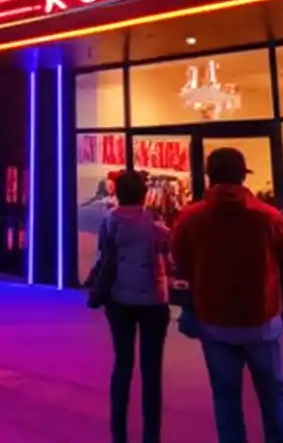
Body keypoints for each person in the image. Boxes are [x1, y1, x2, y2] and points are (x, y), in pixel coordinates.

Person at [170, 148, 283, 443]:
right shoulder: (268, 217)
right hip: (261, 319)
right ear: (243, 175)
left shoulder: (191, 217)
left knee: (226, 397)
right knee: (272, 395)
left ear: (209, 176)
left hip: (214, 320)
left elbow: (179, 259)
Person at [102, 170, 172, 443]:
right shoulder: (153, 224)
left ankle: (118, 433)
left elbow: (104, 255)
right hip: (152, 299)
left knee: (122, 365)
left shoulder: (109, 222)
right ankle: (151, 435)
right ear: (143, 194)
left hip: (119, 298)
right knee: (151, 371)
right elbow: (170, 250)